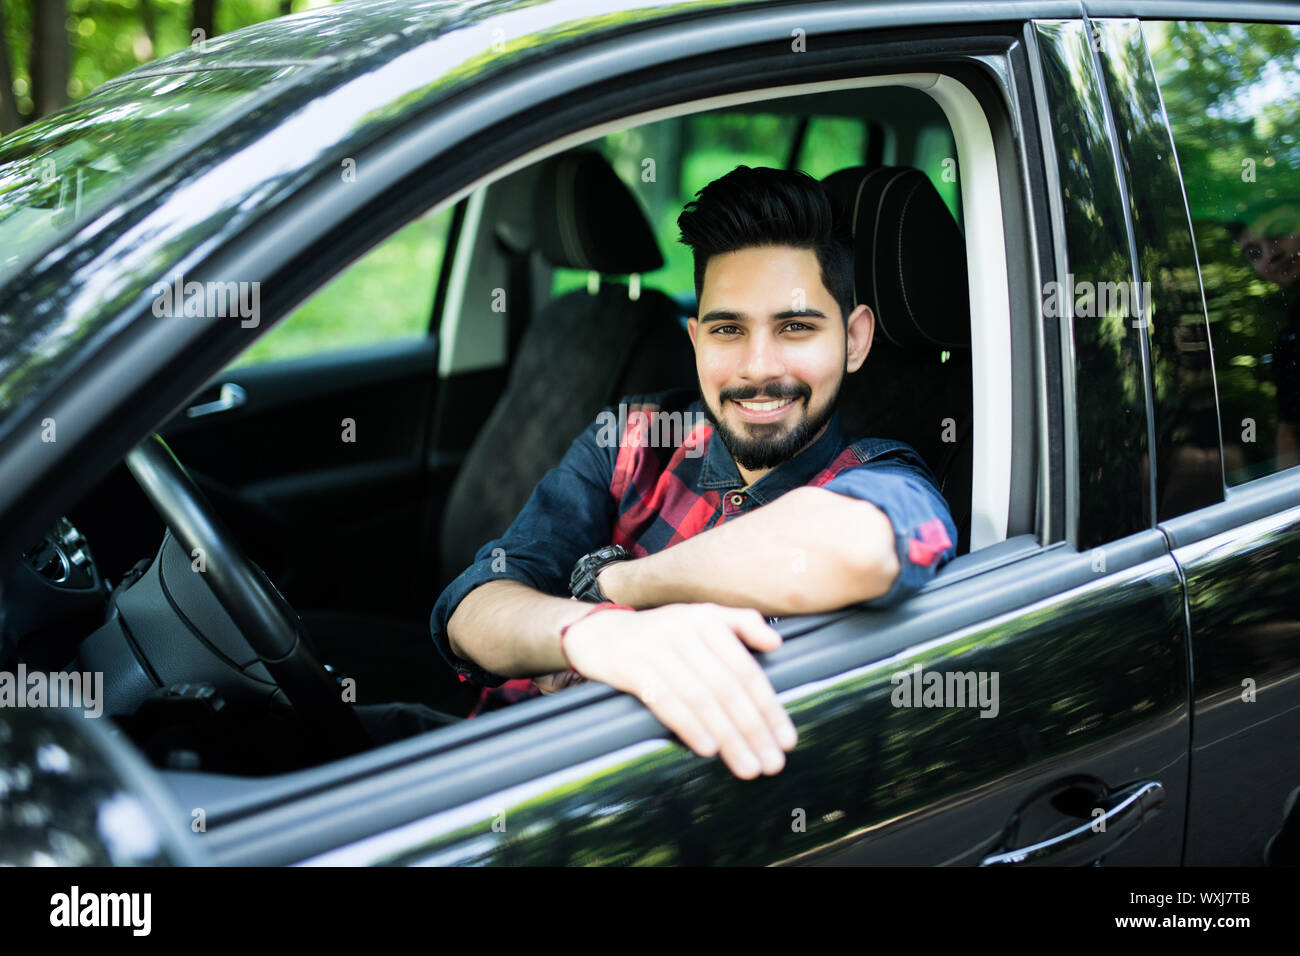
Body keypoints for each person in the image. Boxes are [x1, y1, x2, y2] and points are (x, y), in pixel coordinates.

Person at [429, 165, 958, 779]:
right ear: (696, 339)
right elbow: (470, 608)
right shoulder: (634, 436)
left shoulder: (884, 476)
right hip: (480, 757)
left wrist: (616, 586)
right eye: (728, 329)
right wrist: (593, 636)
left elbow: (860, 551)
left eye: (795, 327)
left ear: (855, 339)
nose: (758, 368)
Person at [1230, 200, 1300, 468]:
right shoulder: (1289, 340)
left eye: (1278, 234)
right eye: (1254, 253)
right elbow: (1291, 430)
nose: (1271, 255)